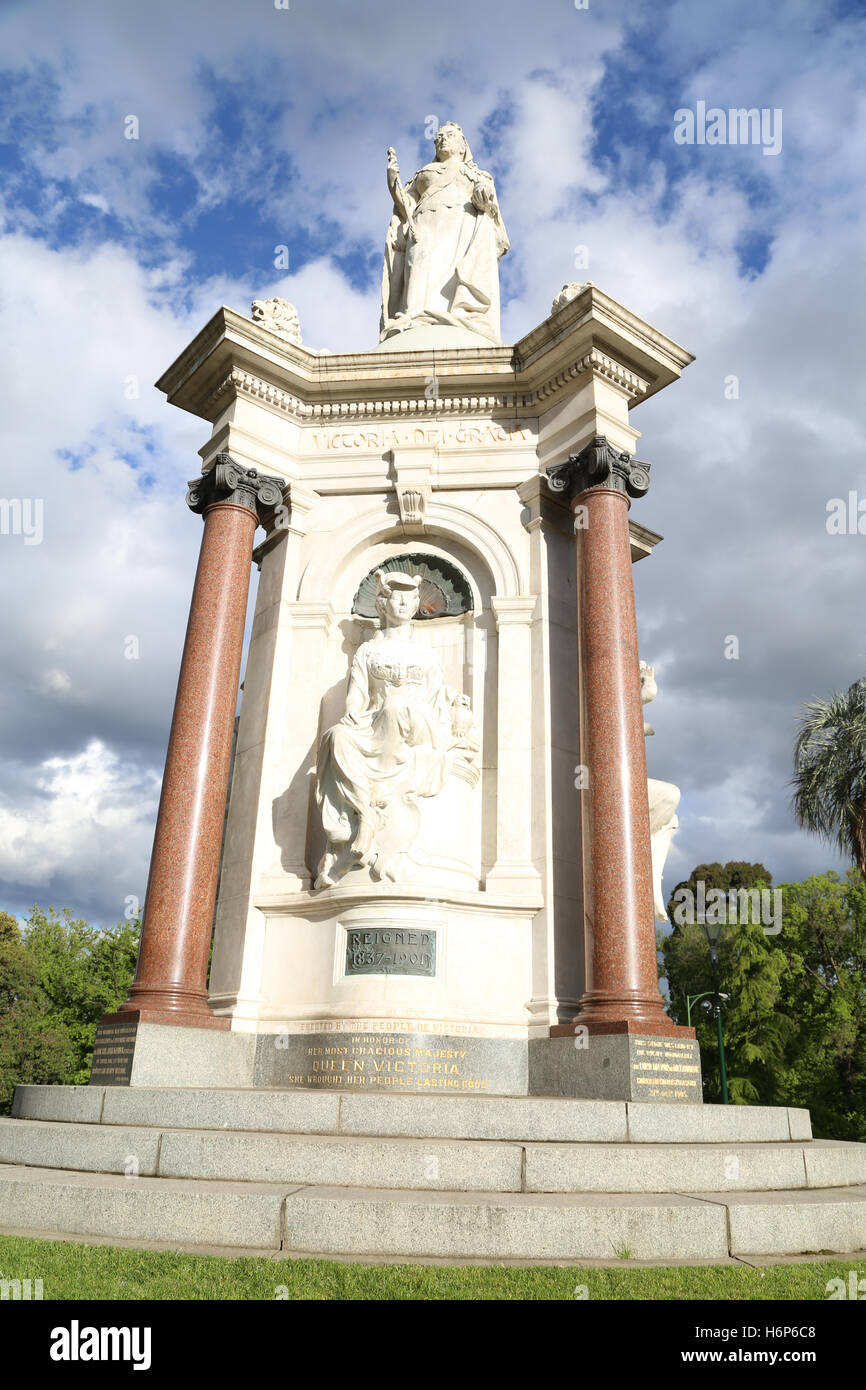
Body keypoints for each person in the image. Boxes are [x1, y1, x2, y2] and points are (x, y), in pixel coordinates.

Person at [315, 570, 477, 887]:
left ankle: (372, 812)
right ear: (382, 603)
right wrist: (351, 715)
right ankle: (366, 816)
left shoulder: (426, 655)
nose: (402, 601)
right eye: (395, 596)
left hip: (419, 723)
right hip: (376, 723)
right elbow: (357, 695)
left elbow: (435, 701)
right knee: (336, 737)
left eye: (408, 596)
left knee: (396, 704)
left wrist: (459, 709)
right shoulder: (367, 651)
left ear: (417, 603)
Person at [380, 122, 509, 344]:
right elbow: (405, 206)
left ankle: (460, 314)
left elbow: (491, 206)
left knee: (456, 272)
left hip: (463, 224)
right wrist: (393, 180)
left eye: (449, 135)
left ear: (462, 144)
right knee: (419, 264)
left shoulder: (477, 173)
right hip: (424, 223)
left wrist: (483, 196)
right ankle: (413, 316)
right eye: (438, 137)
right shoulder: (425, 173)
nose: (442, 139)